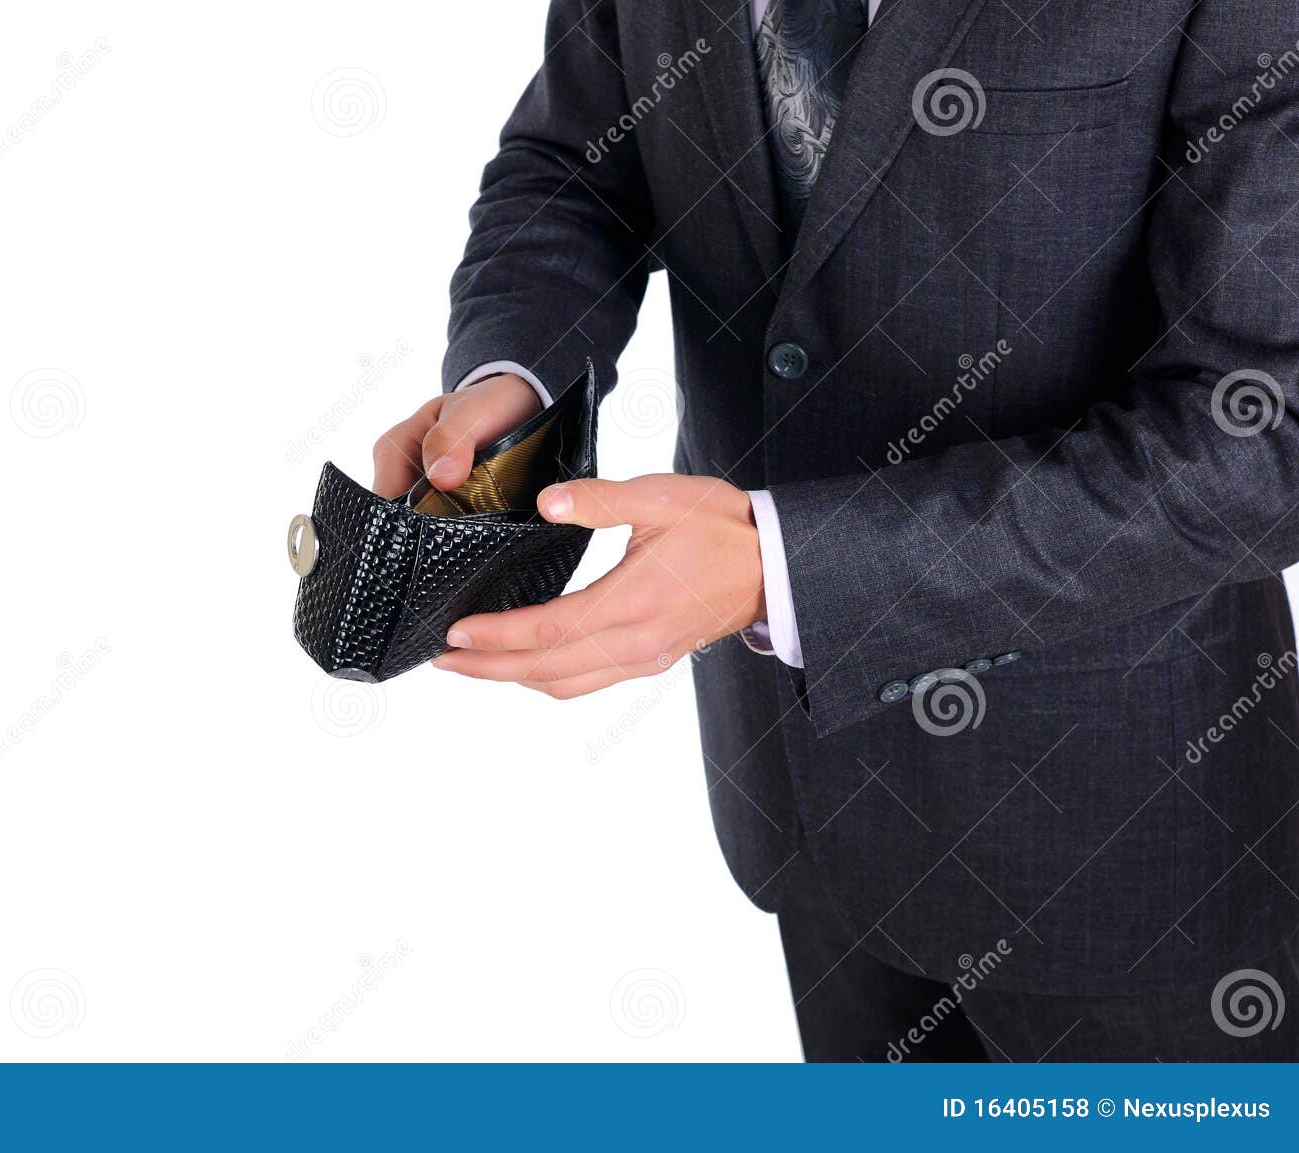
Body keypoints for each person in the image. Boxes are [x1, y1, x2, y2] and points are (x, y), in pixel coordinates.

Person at [369, 0, 1299, 1061]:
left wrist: (785, 567)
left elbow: (1263, 437)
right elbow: (579, 160)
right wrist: (511, 371)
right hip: (802, 795)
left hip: (1120, 840)